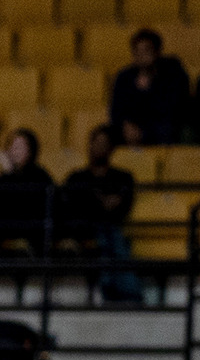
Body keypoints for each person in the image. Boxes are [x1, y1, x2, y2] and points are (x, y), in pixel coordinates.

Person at [58, 126, 140, 300]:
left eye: (104, 144)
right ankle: (125, 292)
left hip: (112, 229)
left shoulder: (123, 177)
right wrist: (102, 204)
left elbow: (122, 208)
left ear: (111, 149)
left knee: (110, 234)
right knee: (107, 235)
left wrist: (95, 201)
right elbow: (72, 208)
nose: (99, 147)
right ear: (89, 146)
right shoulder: (76, 178)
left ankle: (113, 289)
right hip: (84, 230)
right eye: (96, 143)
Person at [0, 129, 56, 256]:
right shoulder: (2, 178)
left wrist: (10, 177)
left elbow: (27, 206)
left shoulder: (40, 177)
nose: (14, 152)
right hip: (3, 227)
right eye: (12, 147)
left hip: (30, 230)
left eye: (20, 147)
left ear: (31, 151)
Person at [109, 30, 191, 147]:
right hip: (131, 129)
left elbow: (174, 110)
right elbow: (116, 110)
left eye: (146, 50)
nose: (141, 55)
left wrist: (144, 133)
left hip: (161, 128)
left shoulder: (173, 74)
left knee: (168, 131)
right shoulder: (124, 77)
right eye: (137, 51)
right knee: (104, 135)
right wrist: (125, 125)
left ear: (157, 52)